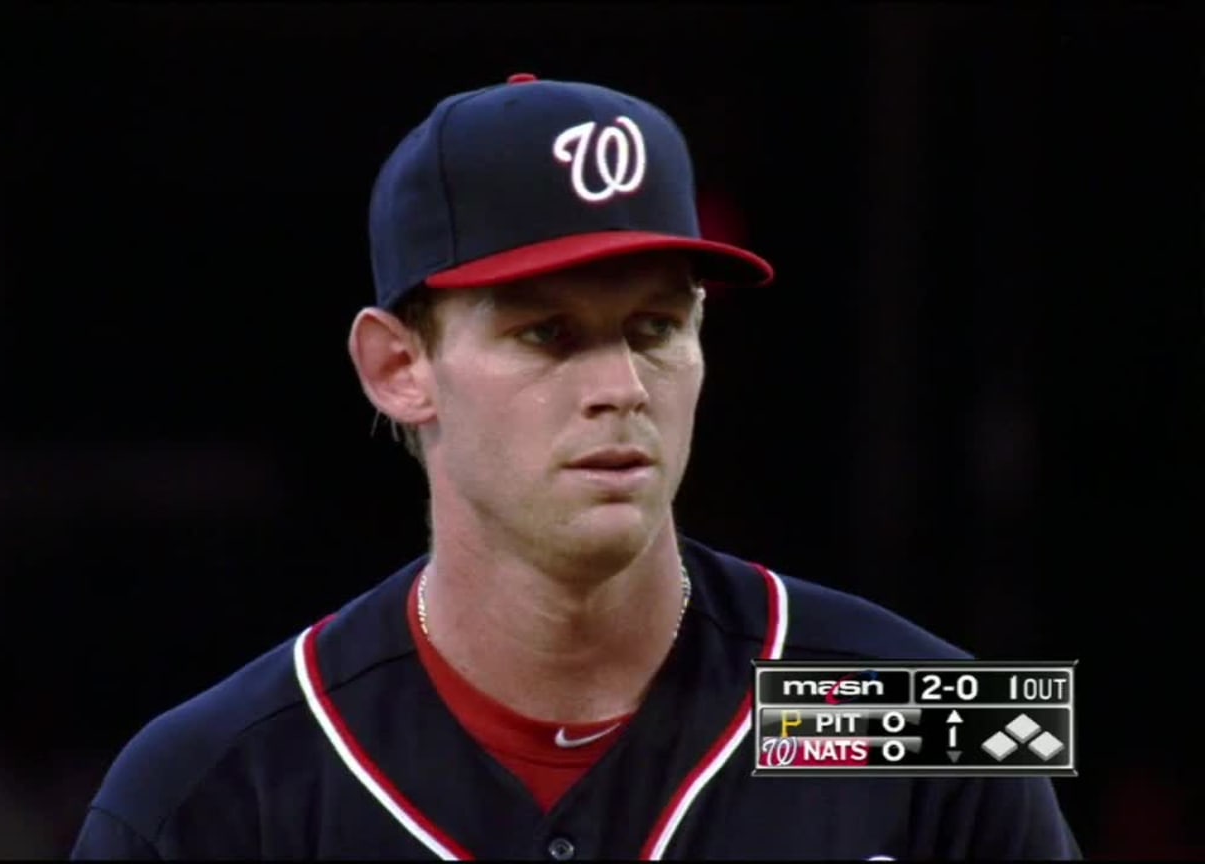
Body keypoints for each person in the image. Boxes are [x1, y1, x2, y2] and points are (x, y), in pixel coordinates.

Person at [71, 73, 1080, 860]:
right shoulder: (212, 786)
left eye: (655, 327)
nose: (621, 387)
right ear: (398, 367)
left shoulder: (945, 713)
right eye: (548, 334)